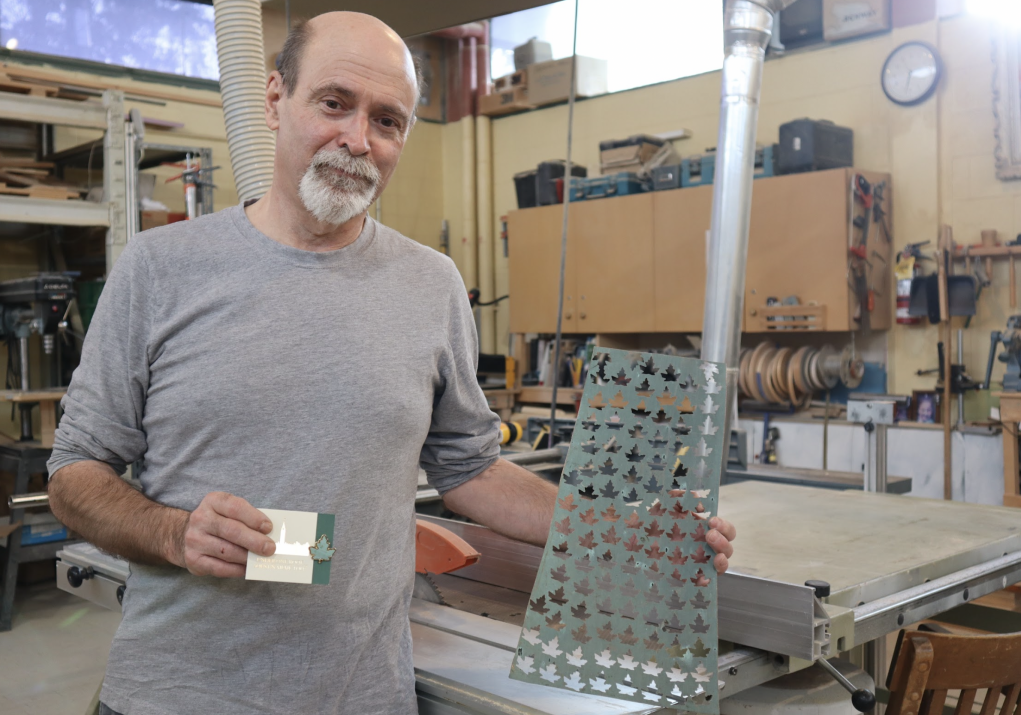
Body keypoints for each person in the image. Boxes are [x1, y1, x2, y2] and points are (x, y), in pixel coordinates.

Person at [46, 11, 737, 714]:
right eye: (335, 103)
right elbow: (73, 474)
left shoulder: (431, 284)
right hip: (175, 697)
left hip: (361, 697)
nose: (357, 140)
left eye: (388, 120)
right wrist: (173, 530)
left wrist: (612, 527)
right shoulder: (160, 270)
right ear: (276, 99)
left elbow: (470, 469)